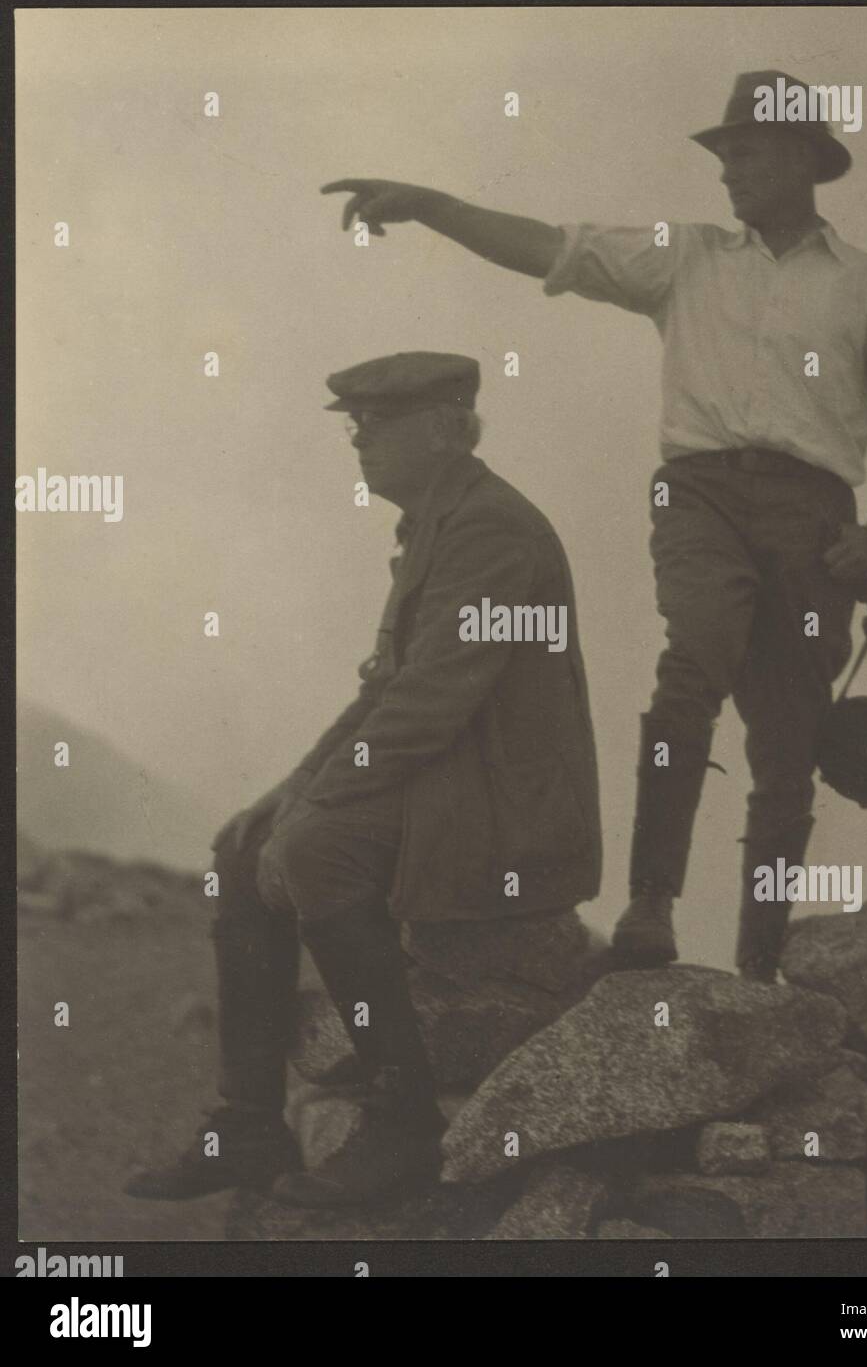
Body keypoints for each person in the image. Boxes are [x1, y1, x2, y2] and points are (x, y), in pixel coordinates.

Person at [322, 70, 867, 980]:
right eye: (723, 155)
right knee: (690, 666)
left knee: (787, 743)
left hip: (816, 518)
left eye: (747, 152)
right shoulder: (687, 257)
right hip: (699, 498)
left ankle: (758, 966)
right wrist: (430, 204)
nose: (728, 171)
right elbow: (550, 248)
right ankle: (650, 907)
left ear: (804, 157)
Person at [124, 351, 601, 1209]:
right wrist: (285, 792)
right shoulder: (435, 521)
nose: (357, 442)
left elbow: (429, 700)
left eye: (374, 425)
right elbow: (385, 686)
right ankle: (248, 1124)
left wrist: (313, 808)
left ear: (444, 431)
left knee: (316, 850)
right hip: (455, 784)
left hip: (506, 810)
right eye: (354, 426)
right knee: (244, 845)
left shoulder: (491, 530)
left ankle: (403, 1122)